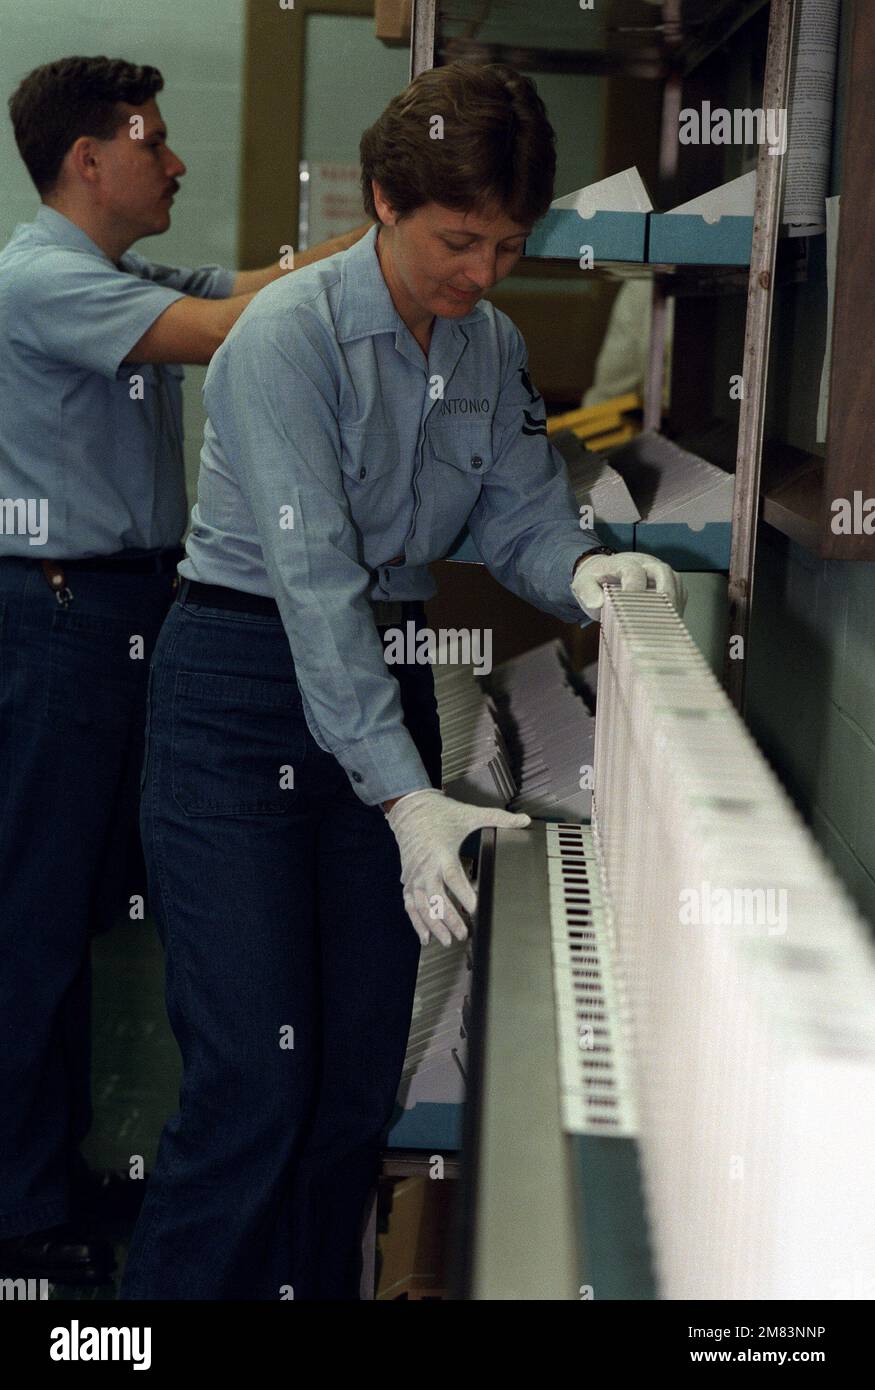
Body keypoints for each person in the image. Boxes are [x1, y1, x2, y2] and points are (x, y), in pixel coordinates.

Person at [119, 60, 684, 1302]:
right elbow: (317, 588)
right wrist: (403, 796)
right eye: (458, 241)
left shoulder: (486, 347)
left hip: (382, 672)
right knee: (254, 1084)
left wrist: (591, 579)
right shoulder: (286, 338)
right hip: (242, 682)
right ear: (382, 198)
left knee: (349, 1084)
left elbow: (520, 517)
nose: (482, 274)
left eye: (507, 244)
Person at [0, 54, 367, 1287]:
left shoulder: (104, 273)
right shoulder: (45, 278)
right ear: (87, 161)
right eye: (152, 141)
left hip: (115, 613)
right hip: (59, 621)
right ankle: (18, 1217)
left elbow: (254, 285)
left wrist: (393, 232)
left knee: (74, 911)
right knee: (33, 922)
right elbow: (226, 330)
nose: (178, 159)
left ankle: (43, 1183)